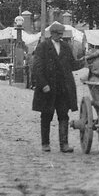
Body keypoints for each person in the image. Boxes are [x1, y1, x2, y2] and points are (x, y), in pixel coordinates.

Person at [30, 21, 81, 153]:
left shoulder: (65, 46)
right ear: (51, 34)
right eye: (57, 34)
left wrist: (84, 62)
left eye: (61, 34)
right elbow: (37, 68)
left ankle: (64, 144)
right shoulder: (43, 47)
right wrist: (43, 84)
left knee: (63, 115)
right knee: (46, 115)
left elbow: (72, 64)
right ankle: (45, 144)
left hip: (63, 88)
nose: (59, 36)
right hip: (48, 88)